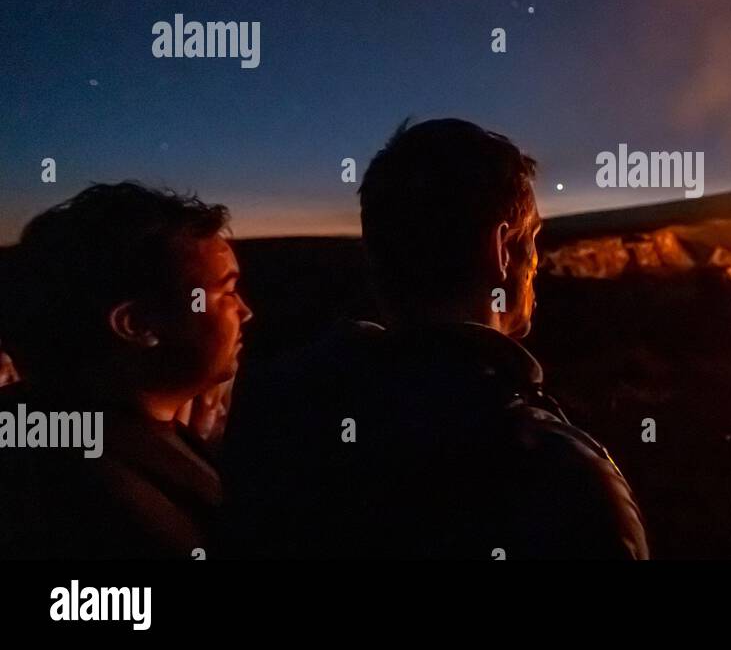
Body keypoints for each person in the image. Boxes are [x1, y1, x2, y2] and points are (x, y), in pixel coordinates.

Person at [222, 118, 648, 559]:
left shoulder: (273, 419)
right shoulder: (560, 477)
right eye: (534, 239)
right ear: (500, 250)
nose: (538, 262)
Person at [0, 183, 253, 558]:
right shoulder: (103, 501)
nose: (246, 312)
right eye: (226, 293)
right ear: (136, 324)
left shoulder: (56, 426)